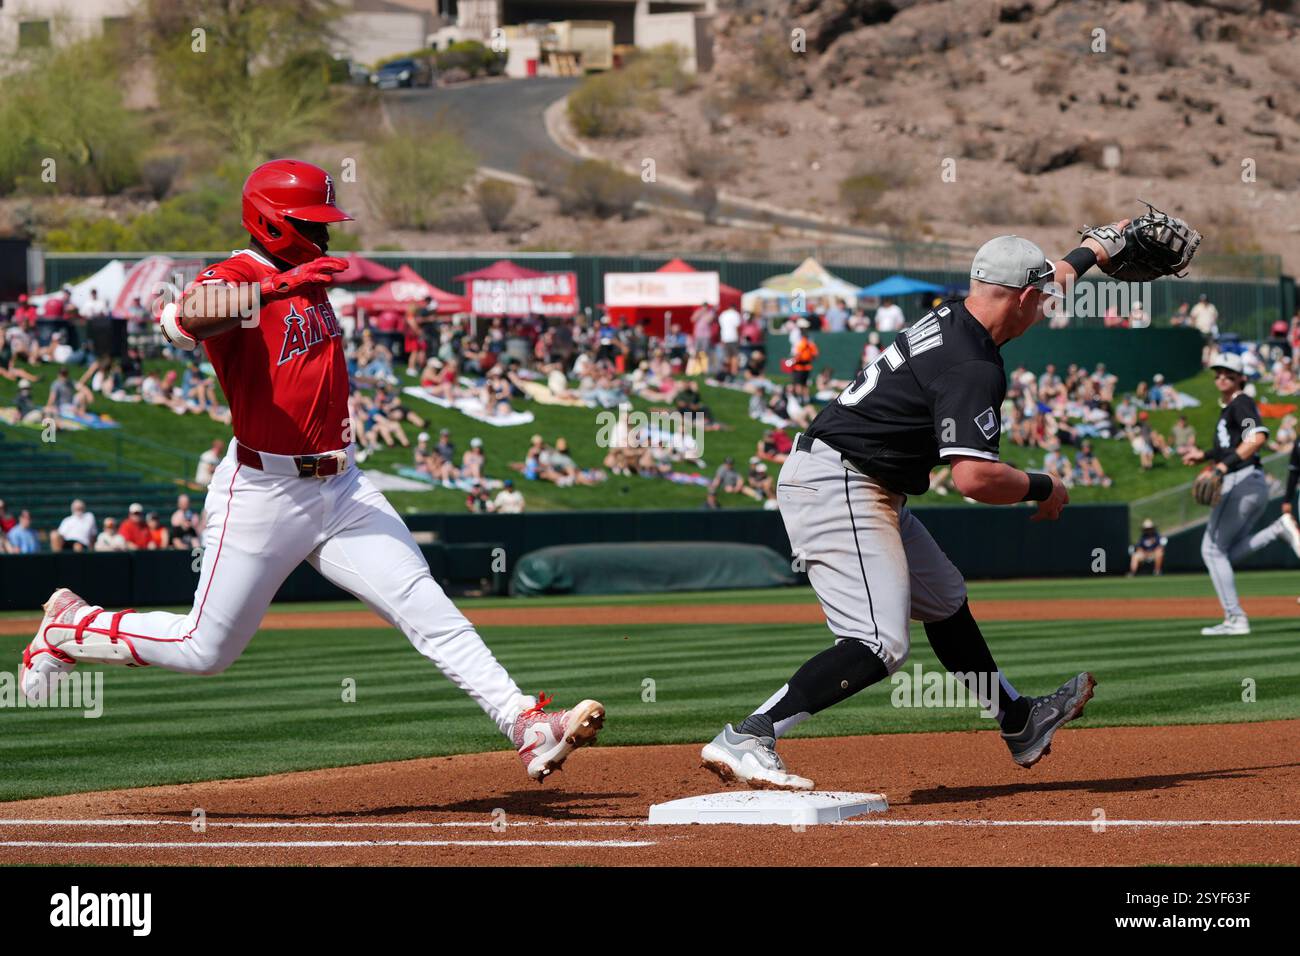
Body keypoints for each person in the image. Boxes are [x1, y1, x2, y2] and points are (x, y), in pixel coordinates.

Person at [21, 158, 604, 782]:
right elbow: (180, 319)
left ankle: (524, 720)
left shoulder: (309, 275)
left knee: (425, 604)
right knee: (205, 650)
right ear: (271, 223)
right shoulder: (241, 274)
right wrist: (275, 288)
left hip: (342, 485)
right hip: (264, 490)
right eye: (310, 222)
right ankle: (68, 629)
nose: (323, 235)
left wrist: (294, 283)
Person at [699, 227, 1129, 789]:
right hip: (844, 482)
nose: (1048, 304)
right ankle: (752, 733)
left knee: (945, 599)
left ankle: (1019, 720)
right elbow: (975, 479)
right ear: (1022, 298)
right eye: (1042, 297)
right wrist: (1045, 486)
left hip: (863, 479)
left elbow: (1044, 280)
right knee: (879, 642)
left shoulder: (956, 313)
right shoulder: (972, 365)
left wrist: (1095, 251)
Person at [1182, 352, 1300, 635]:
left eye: (1229, 374)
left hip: (1241, 480)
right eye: (1218, 373)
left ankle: (1236, 619)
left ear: (1241, 379)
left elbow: (1257, 437)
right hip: (1252, 483)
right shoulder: (1230, 408)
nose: (1222, 377)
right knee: (1225, 553)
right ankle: (1278, 530)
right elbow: (1232, 445)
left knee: (1211, 550)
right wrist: (1206, 455)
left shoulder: (1241, 402)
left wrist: (1221, 466)